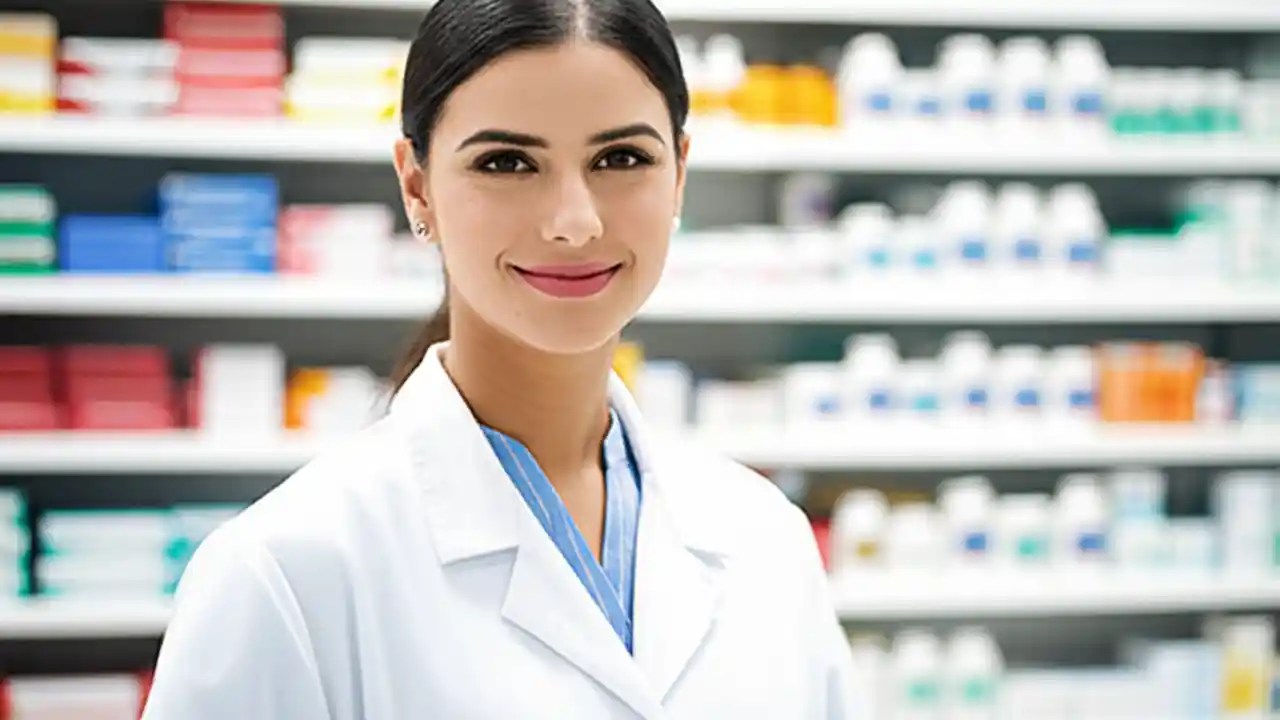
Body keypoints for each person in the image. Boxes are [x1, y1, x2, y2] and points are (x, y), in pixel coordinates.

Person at [142, 0, 856, 717]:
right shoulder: (284, 573)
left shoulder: (765, 539)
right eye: (507, 162)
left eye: (621, 158)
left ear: (679, 173)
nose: (575, 222)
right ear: (416, 185)